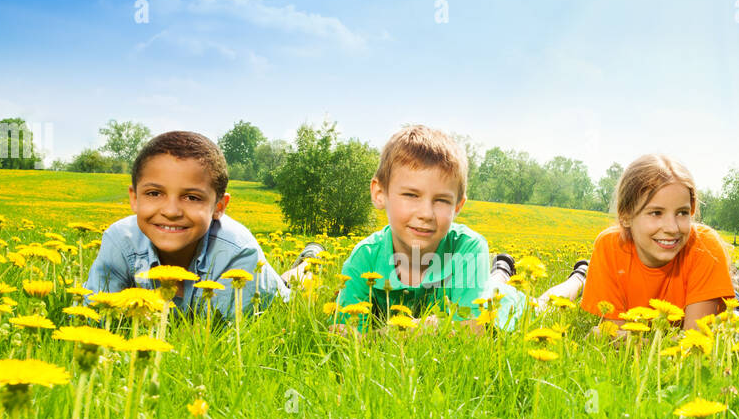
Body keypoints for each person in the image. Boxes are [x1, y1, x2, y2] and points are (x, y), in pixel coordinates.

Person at [334, 125, 523, 330]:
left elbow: (471, 330)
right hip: (469, 292)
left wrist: (389, 333)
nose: (425, 213)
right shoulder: (365, 256)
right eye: (411, 195)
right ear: (380, 194)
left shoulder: (468, 247)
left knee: (529, 302)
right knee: (490, 283)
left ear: (457, 205)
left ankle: (506, 273)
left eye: (441, 200)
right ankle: (500, 270)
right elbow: (346, 334)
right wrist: (434, 326)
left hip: (497, 303)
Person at [85, 130, 287, 321]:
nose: (171, 211)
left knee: (293, 283)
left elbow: (222, 335)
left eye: (191, 197)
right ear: (134, 198)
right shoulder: (120, 241)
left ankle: (304, 263)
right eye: (154, 193)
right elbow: (94, 316)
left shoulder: (237, 252)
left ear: (219, 206)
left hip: (272, 291)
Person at [579, 154, 736, 332]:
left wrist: (620, 337)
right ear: (626, 216)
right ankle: (579, 275)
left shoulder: (705, 246)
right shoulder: (610, 245)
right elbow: (615, 335)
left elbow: (694, 341)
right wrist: (617, 337)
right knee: (576, 284)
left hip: (717, 279)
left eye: (682, 213)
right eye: (656, 213)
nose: (672, 228)